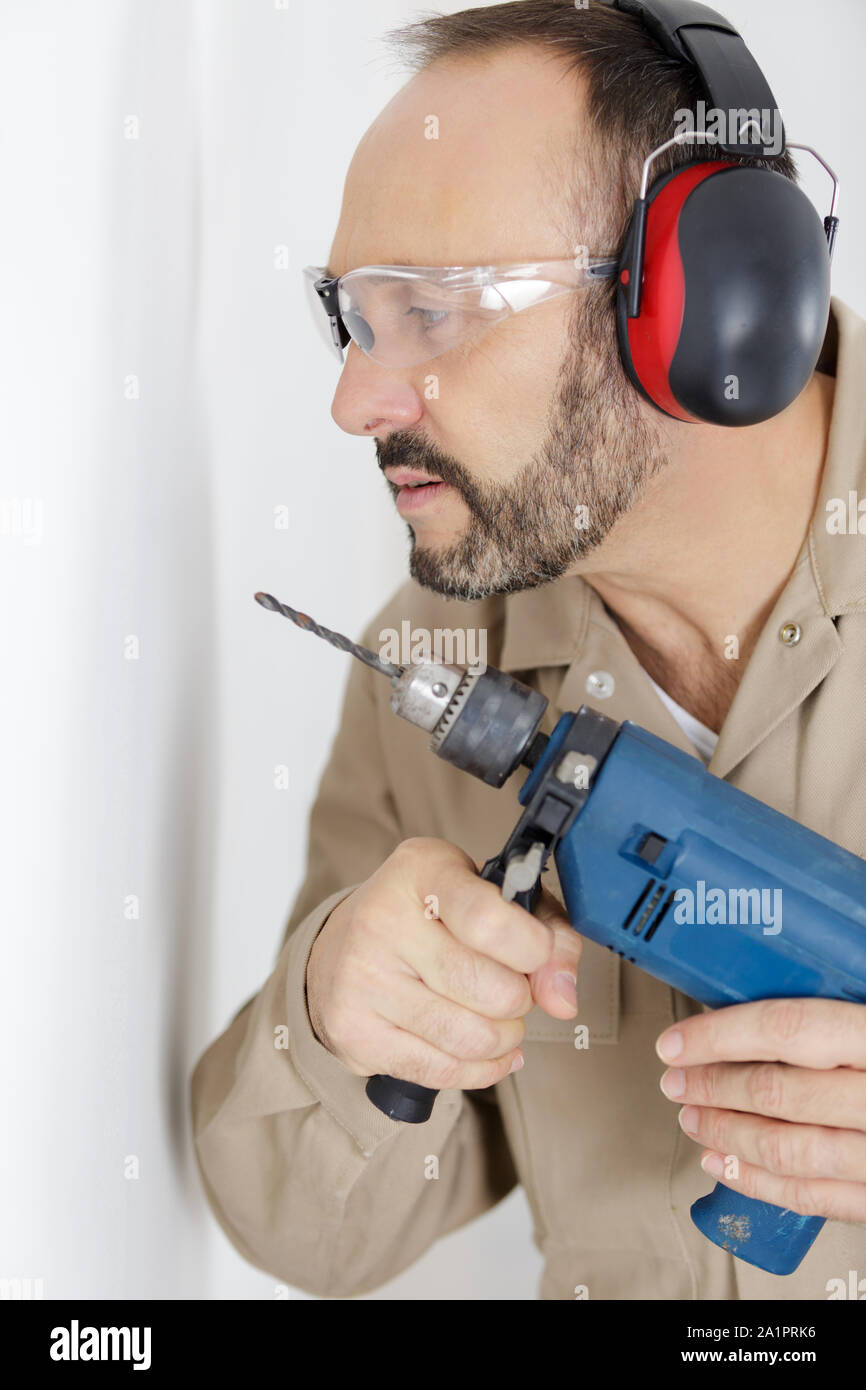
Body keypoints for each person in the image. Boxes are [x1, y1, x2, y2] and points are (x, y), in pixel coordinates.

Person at [190, 0, 866, 1300]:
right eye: (353, 316)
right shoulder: (428, 666)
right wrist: (339, 1009)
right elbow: (308, 1238)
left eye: (431, 312)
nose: (352, 403)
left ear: (699, 302)